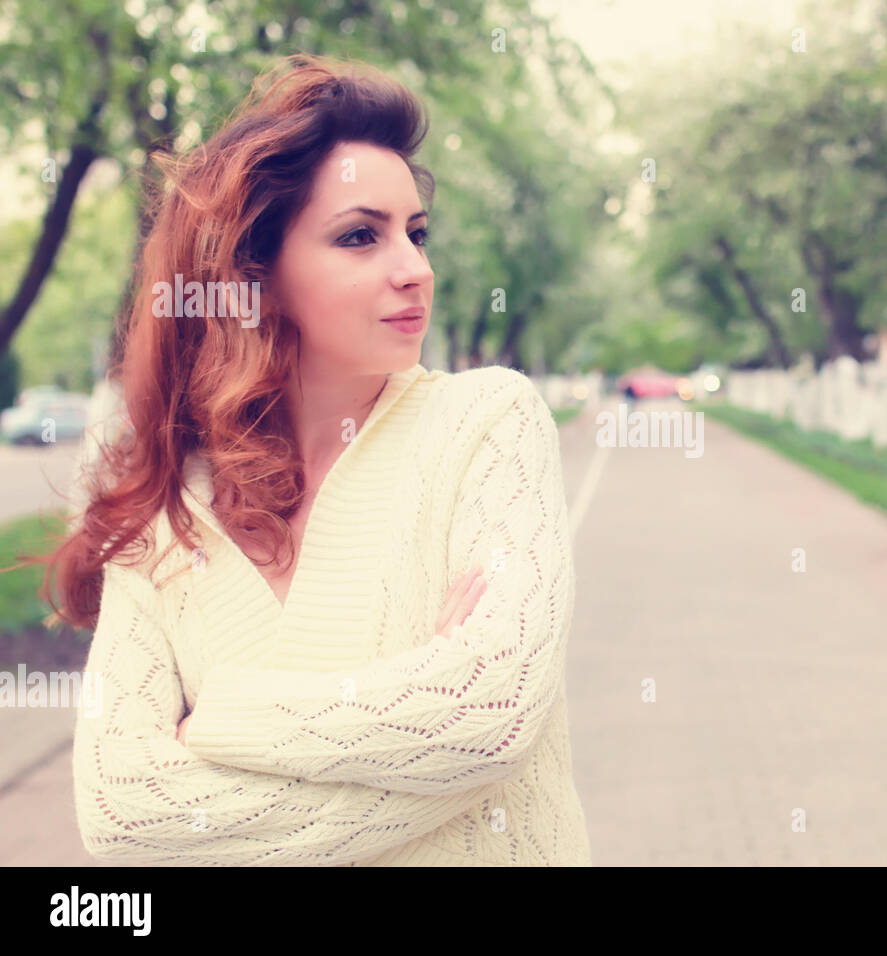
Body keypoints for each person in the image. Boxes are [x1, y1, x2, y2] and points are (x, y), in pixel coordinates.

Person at [29, 53, 592, 866]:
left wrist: (224, 719)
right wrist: (419, 749)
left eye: (416, 232)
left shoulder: (485, 424)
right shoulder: (170, 513)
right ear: (254, 274)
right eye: (361, 236)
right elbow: (126, 816)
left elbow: (489, 718)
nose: (415, 269)